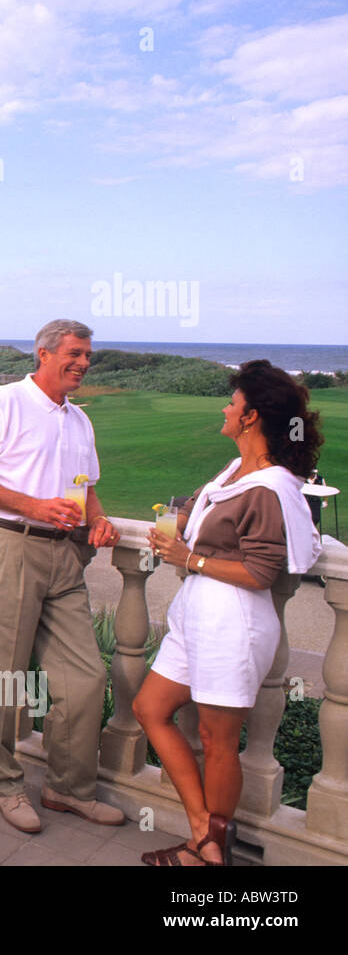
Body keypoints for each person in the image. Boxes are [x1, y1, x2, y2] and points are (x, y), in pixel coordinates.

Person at [135, 361, 322, 866]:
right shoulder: (235, 472)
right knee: (149, 709)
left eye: (232, 403)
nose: (225, 407)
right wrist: (180, 536)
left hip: (233, 623)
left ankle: (207, 851)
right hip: (196, 615)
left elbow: (261, 572)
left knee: (219, 740)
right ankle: (204, 829)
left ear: (250, 416)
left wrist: (187, 558)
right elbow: (207, 522)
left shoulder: (269, 486)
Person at [0, 319, 125, 833]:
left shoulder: (79, 421)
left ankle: (68, 790)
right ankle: (5, 785)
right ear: (43, 353)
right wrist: (35, 507)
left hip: (65, 558)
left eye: (88, 356)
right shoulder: (2, 403)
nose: (84, 363)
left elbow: (85, 488)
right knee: (2, 676)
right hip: (9, 549)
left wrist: (100, 519)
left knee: (85, 678)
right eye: (74, 353)